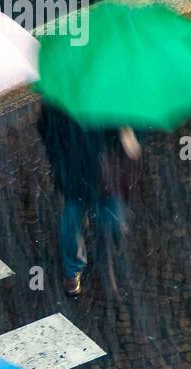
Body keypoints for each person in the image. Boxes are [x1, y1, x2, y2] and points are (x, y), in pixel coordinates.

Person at [37, 103, 138, 298]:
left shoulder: (108, 96)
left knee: (111, 220)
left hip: (101, 171)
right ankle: (72, 270)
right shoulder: (61, 99)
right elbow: (45, 127)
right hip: (77, 170)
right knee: (73, 219)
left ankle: (94, 261)